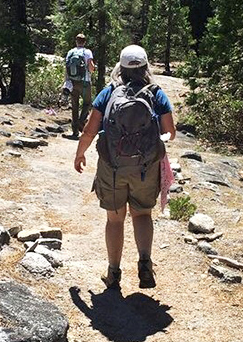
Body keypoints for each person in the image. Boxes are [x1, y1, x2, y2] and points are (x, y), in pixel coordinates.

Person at [74, 44, 176, 289]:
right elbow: (170, 133)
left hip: (113, 166)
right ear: (145, 66)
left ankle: (113, 273)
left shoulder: (109, 92)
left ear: (120, 67)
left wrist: (80, 154)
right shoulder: (156, 93)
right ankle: (144, 263)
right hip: (145, 167)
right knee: (142, 214)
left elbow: (89, 130)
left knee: (115, 219)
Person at [64, 33, 95, 138]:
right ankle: (82, 121)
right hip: (85, 82)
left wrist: (66, 82)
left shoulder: (70, 52)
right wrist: (92, 70)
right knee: (87, 103)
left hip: (73, 82)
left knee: (75, 106)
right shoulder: (87, 52)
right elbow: (91, 67)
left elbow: (66, 68)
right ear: (85, 42)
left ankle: (75, 131)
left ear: (76, 41)